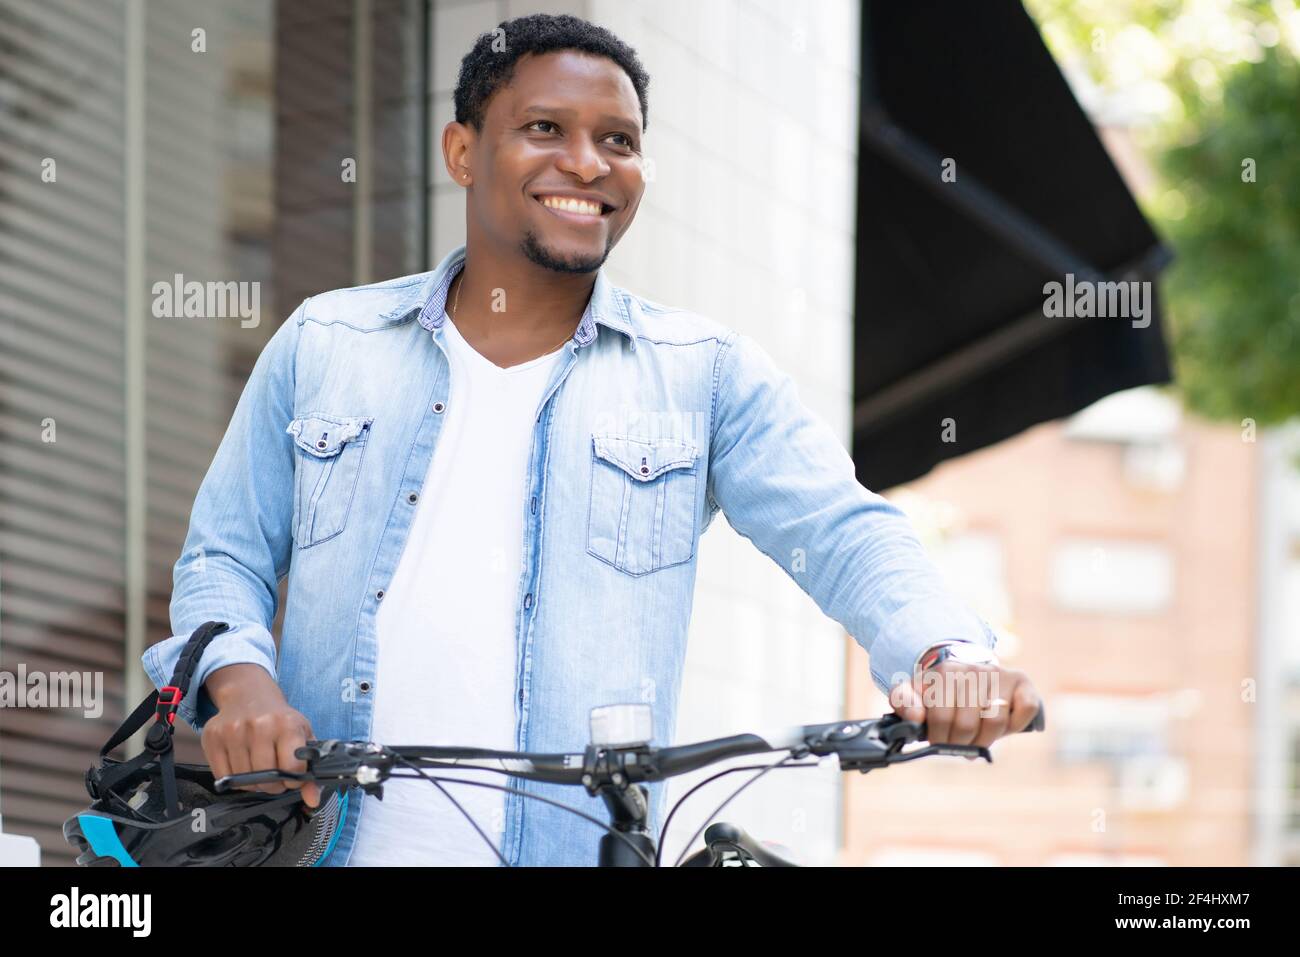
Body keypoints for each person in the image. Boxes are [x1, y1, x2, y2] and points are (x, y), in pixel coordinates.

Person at [144, 13, 1041, 866]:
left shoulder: (705, 373)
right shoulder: (326, 343)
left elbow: (846, 532)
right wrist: (242, 684)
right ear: (463, 151)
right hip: (323, 845)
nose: (588, 163)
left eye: (619, 139)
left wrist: (947, 658)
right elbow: (224, 553)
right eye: (544, 127)